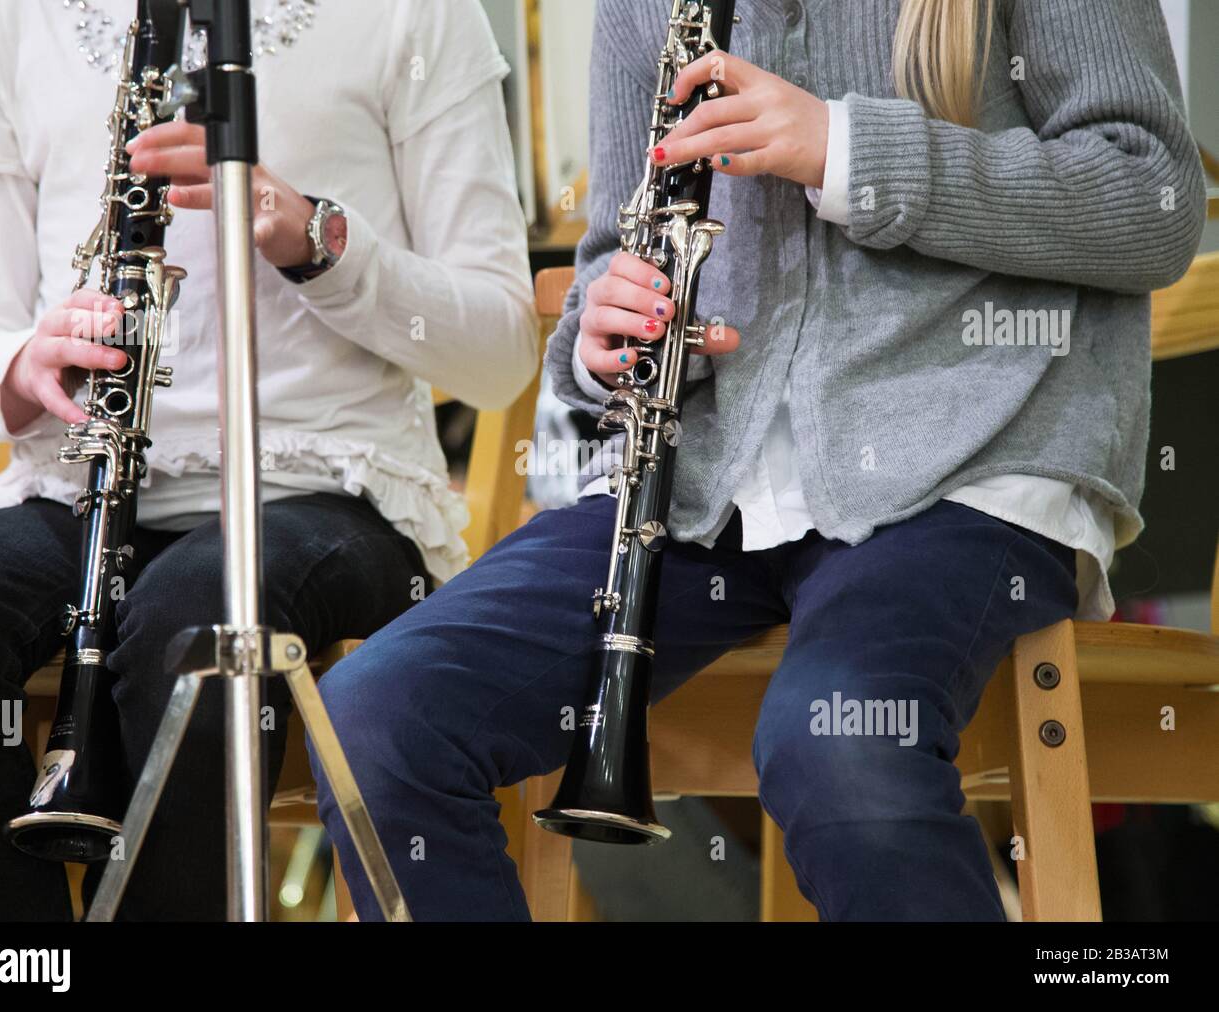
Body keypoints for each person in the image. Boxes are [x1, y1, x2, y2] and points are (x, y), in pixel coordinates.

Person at [313, 0, 1206, 921]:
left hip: (969, 466)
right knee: (378, 717)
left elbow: (1152, 200)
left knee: (840, 746)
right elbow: (614, 256)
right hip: (704, 485)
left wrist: (847, 149)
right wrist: (600, 339)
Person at [0, 0, 535, 920]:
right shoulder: (13, 18)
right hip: (81, 487)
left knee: (198, 620)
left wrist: (314, 237)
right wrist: (24, 364)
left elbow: (500, 350)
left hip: (329, 490)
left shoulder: (414, 13)